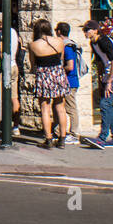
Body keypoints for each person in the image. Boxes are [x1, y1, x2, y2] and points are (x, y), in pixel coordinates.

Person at [28, 19, 70, 149]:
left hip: (44, 74)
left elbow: (32, 64)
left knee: (44, 108)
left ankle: (48, 138)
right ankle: (62, 138)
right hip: (58, 73)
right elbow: (61, 59)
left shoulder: (33, 45)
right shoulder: (59, 41)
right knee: (60, 107)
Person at [82, 20, 113, 148]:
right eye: (84, 30)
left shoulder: (104, 41)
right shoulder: (93, 43)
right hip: (107, 75)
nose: (85, 32)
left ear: (95, 30)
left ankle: (102, 137)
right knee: (108, 106)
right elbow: (100, 61)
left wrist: (110, 81)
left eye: (87, 30)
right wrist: (102, 79)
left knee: (104, 104)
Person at [0, 11, 22, 124]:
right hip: (14, 65)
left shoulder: (3, 34)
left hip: (5, 67)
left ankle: (2, 123)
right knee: (14, 97)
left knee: (2, 97)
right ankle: (16, 125)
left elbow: (1, 51)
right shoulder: (13, 31)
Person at [57, 22, 83, 147]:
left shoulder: (67, 47)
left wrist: (59, 69)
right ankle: (60, 131)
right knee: (62, 106)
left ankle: (74, 134)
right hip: (70, 81)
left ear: (59, 32)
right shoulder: (70, 45)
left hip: (70, 81)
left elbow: (70, 65)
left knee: (70, 108)